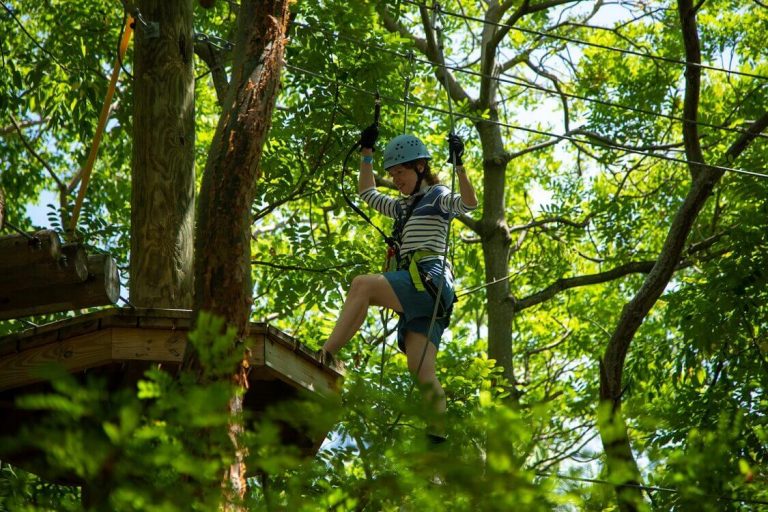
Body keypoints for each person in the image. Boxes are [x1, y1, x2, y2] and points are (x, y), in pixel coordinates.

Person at [321, 124, 478, 442]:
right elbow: (367, 194)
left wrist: (459, 164)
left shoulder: (437, 195)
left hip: (428, 279)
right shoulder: (403, 207)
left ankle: (324, 356)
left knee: (362, 285)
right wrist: (366, 154)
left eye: (400, 173)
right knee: (421, 371)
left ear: (420, 167)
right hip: (426, 296)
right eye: (392, 175)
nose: (396, 180)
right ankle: (437, 437)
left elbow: (469, 203)